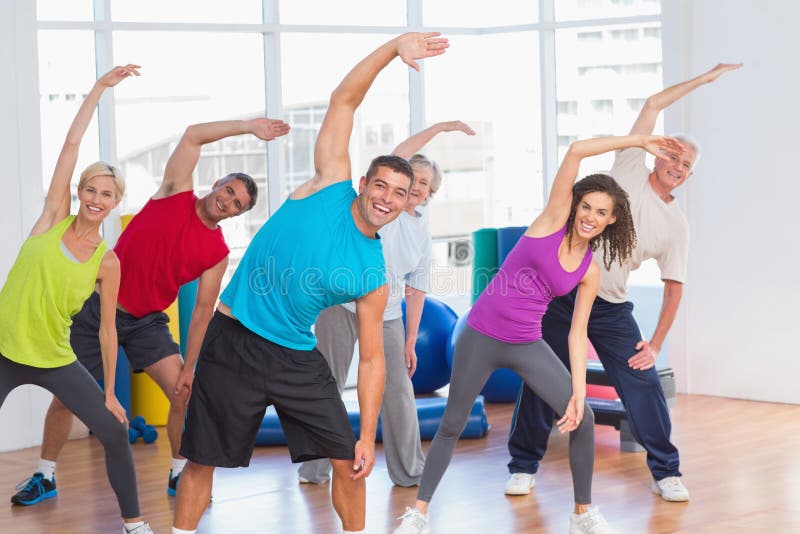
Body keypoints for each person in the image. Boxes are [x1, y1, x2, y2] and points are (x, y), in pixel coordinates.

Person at [172, 32, 449, 534]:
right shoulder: (328, 184)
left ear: (410, 203)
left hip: (296, 357)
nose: (388, 197)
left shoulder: (372, 273)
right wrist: (392, 50)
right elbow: (345, 99)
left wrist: (367, 434)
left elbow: (371, 359)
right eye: (381, 184)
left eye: (401, 193)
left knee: (349, 460)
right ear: (363, 184)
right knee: (201, 461)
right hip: (234, 341)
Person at [394, 134, 686, 534]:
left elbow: (576, 334)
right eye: (586, 206)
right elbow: (576, 151)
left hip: (527, 342)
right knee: (452, 423)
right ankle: (419, 513)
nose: (590, 216)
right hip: (480, 335)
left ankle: (582, 513)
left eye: (601, 212)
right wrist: (640, 141)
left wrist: (579, 395)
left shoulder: (589, 270)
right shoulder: (550, 221)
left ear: (611, 219)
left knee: (580, 421)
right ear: (576, 205)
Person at [12, 108, 289, 504]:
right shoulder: (174, 192)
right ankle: (45, 475)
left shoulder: (217, 253)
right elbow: (193, 134)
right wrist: (248, 126)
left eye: (237, 204)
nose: (228, 201)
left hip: (147, 324)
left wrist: (191, 367)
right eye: (229, 191)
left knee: (181, 393)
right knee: (65, 397)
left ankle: (180, 474)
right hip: (97, 311)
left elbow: (201, 313)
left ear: (239, 214)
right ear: (217, 183)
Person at [504, 63, 742, 504]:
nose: (678, 167)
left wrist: (654, 343)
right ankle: (522, 466)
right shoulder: (630, 166)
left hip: (610, 307)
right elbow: (652, 104)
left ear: (690, 175)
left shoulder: (677, 224)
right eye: (674, 156)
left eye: (686, 165)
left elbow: (674, 286)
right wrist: (704, 79)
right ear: (659, 154)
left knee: (643, 384)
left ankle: (666, 471)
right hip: (563, 295)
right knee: (541, 379)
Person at [0, 65, 155, 534]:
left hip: (53, 357)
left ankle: (135, 524)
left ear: (115, 204)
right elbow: (70, 146)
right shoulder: (52, 218)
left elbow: (108, 329)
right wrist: (98, 89)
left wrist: (108, 393)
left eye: (106, 194)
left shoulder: (107, 262)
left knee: (112, 432)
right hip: (5, 348)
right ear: (79, 192)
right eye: (90, 189)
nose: (95, 198)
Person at [297, 120, 475, 488]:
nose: (416, 188)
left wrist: (410, 342)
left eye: (424, 184)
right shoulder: (385, 208)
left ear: (429, 193)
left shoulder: (421, 231)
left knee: (399, 391)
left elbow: (417, 288)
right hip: (342, 304)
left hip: (388, 314)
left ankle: (410, 471)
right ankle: (314, 469)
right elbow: (398, 155)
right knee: (326, 383)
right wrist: (439, 128)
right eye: (414, 180)